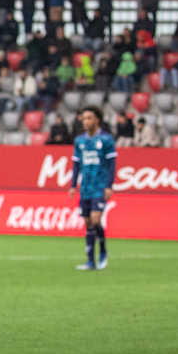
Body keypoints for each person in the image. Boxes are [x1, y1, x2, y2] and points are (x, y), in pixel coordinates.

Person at [68, 106, 116, 272]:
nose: (85, 121)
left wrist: (109, 185)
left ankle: (102, 251)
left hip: (100, 186)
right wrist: (73, 185)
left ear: (97, 120)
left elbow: (111, 164)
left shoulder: (106, 139)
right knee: (88, 222)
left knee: (96, 220)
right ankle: (90, 261)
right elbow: (76, 164)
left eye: (89, 118)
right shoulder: (80, 141)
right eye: (83, 118)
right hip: (86, 187)